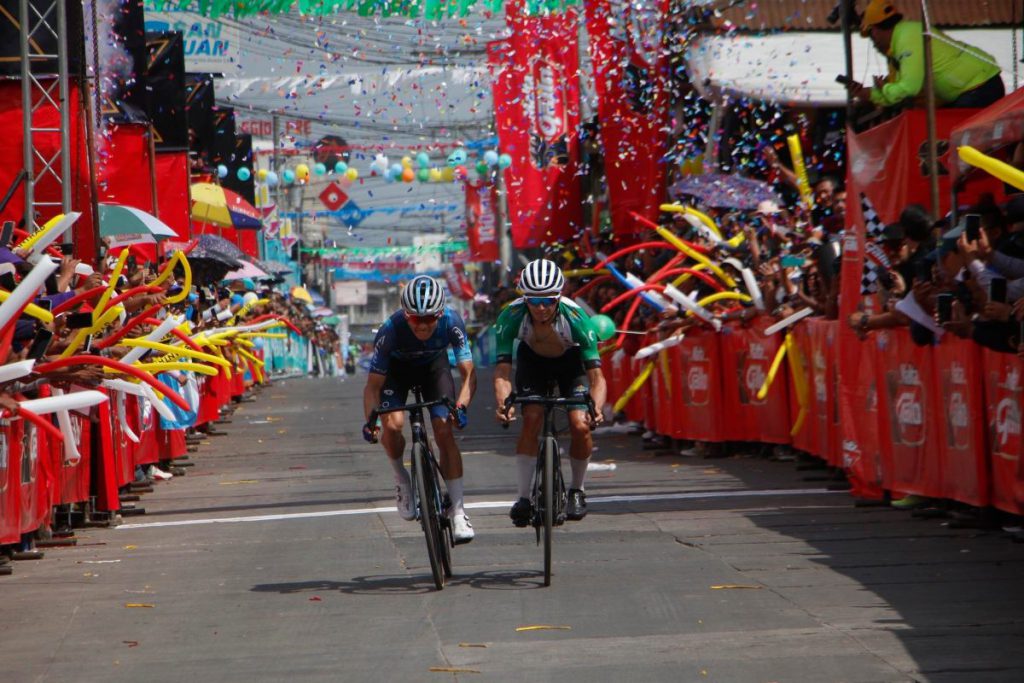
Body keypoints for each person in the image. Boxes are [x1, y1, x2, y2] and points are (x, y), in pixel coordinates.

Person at [362, 275, 477, 543]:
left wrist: (461, 406)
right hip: (397, 372)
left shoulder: (452, 322)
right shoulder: (390, 329)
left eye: (429, 319)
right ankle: (401, 477)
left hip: (434, 369)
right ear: (406, 315)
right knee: (391, 426)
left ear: (440, 314)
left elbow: (468, 374)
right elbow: (372, 387)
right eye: (416, 319)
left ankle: (458, 512)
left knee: (443, 429)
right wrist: (371, 421)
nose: (423, 326)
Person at [492, 259, 607, 525]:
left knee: (580, 425)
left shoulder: (578, 319)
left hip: (571, 363)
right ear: (525, 298)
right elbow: (502, 373)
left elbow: (597, 377)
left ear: (559, 297)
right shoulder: (510, 316)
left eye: (548, 301)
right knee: (531, 418)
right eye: (534, 301)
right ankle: (523, 498)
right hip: (533, 362)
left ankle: (577, 490)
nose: (541, 308)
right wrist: (504, 404)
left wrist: (596, 406)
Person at [850, 0, 1004, 109]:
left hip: (980, 87)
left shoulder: (907, 37)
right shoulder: (899, 42)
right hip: (972, 88)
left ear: (875, 30)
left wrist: (885, 89)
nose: (873, 42)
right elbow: (898, 91)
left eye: (871, 35)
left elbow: (909, 88)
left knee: (956, 144)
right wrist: (870, 94)